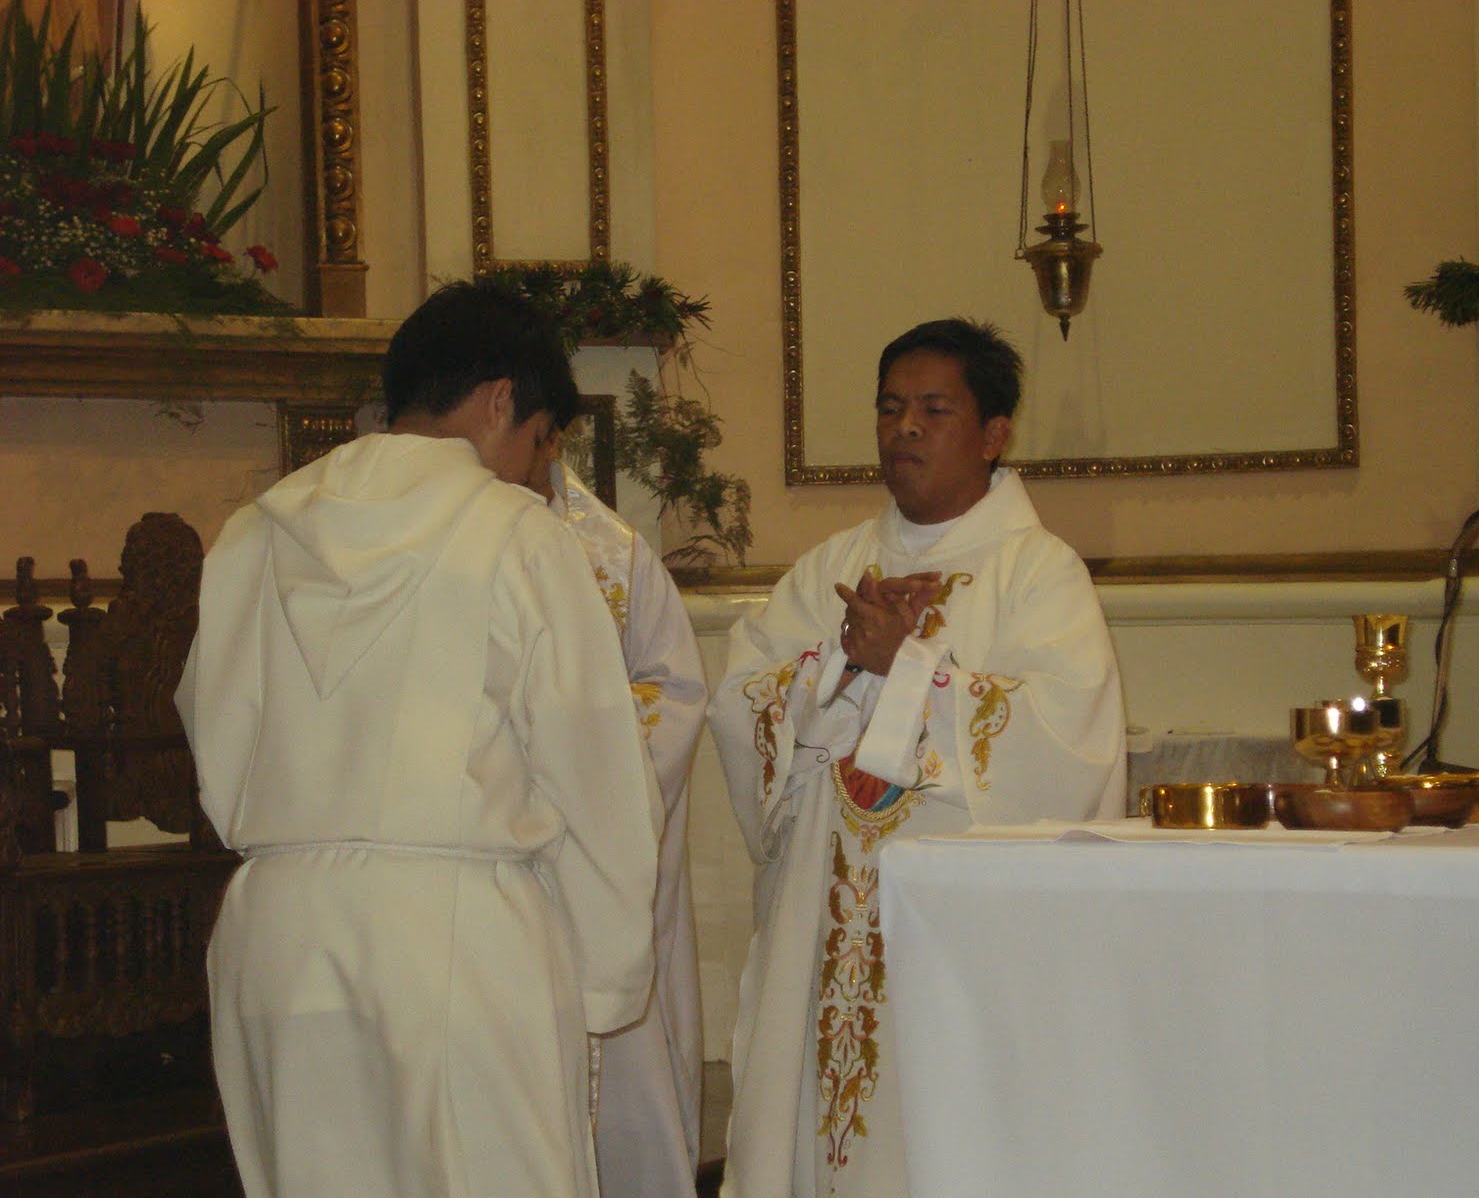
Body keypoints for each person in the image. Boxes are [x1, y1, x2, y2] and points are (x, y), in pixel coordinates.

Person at [177, 280, 662, 1198]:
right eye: (537, 440)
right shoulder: (518, 534)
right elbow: (591, 763)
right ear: (502, 399)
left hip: (276, 933)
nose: (529, 469)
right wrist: (602, 979)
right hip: (457, 936)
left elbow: (209, 717)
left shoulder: (253, 532)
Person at [707, 317, 1126, 1198]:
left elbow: (1063, 742)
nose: (905, 429)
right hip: (826, 928)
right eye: (891, 408)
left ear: (994, 433)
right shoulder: (835, 563)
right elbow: (741, 693)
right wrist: (833, 668)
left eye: (935, 409)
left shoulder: (1038, 574)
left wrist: (909, 670)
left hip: (959, 935)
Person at [526, 430, 707, 1198]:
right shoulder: (453, 540)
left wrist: (568, 760)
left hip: (595, 855)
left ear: (546, 432)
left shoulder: (615, 553)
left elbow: (676, 694)